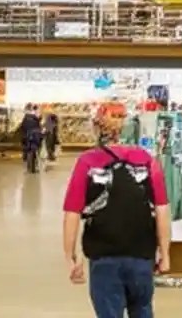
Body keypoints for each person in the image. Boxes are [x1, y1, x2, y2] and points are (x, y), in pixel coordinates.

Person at [63, 116, 170, 318]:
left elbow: (72, 212)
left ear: (96, 131)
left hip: (103, 257)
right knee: (143, 310)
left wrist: (70, 258)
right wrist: (165, 253)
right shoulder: (147, 160)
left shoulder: (87, 162)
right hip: (141, 255)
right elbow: (162, 208)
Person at [20, 105, 44, 174]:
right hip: (35, 138)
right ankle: (33, 168)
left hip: (27, 138)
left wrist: (23, 138)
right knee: (34, 153)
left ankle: (29, 168)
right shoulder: (36, 119)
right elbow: (38, 128)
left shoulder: (25, 119)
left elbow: (23, 128)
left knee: (29, 153)